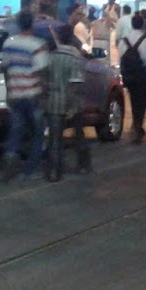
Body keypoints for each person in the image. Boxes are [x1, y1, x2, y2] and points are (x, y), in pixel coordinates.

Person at [0, 10, 49, 180]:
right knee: (37, 133)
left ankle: (10, 163)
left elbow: (5, 68)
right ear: (32, 24)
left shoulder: (8, 43)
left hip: (15, 94)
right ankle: (30, 170)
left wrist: (8, 91)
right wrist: (44, 96)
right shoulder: (38, 44)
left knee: (15, 132)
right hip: (33, 94)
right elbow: (42, 72)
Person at [44, 24, 91, 180]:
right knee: (79, 135)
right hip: (72, 103)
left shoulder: (51, 57)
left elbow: (45, 80)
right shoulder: (74, 56)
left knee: (55, 138)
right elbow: (75, 84)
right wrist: (71, 106)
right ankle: (84, 165)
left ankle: (54, 171)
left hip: (54, 102)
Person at [118, 13, 146, 144]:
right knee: (143, 99)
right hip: (143, 74)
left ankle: (136, 122)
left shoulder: (124, 40)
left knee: (133, 98)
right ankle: (138, 123)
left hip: (129, 75)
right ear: (143, 24)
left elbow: (121, 57)